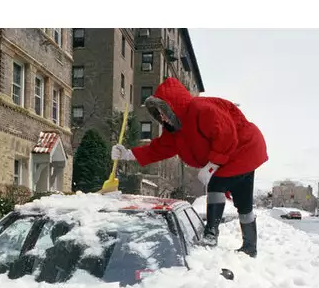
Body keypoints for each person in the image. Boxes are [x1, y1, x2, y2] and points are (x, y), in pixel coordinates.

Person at [111, 77, 268, 257]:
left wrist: (211, 166)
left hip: (244, 147)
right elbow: (158, 149)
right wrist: (127, 154)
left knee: (216, 185)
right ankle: (250, 247)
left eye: (162, 111)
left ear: (172, 106)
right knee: (243, 203)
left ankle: (211, 234)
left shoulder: (201, 109)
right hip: (240, 154)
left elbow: (226, 135)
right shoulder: (175, 132)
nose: (161, 118)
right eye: (157, 114)